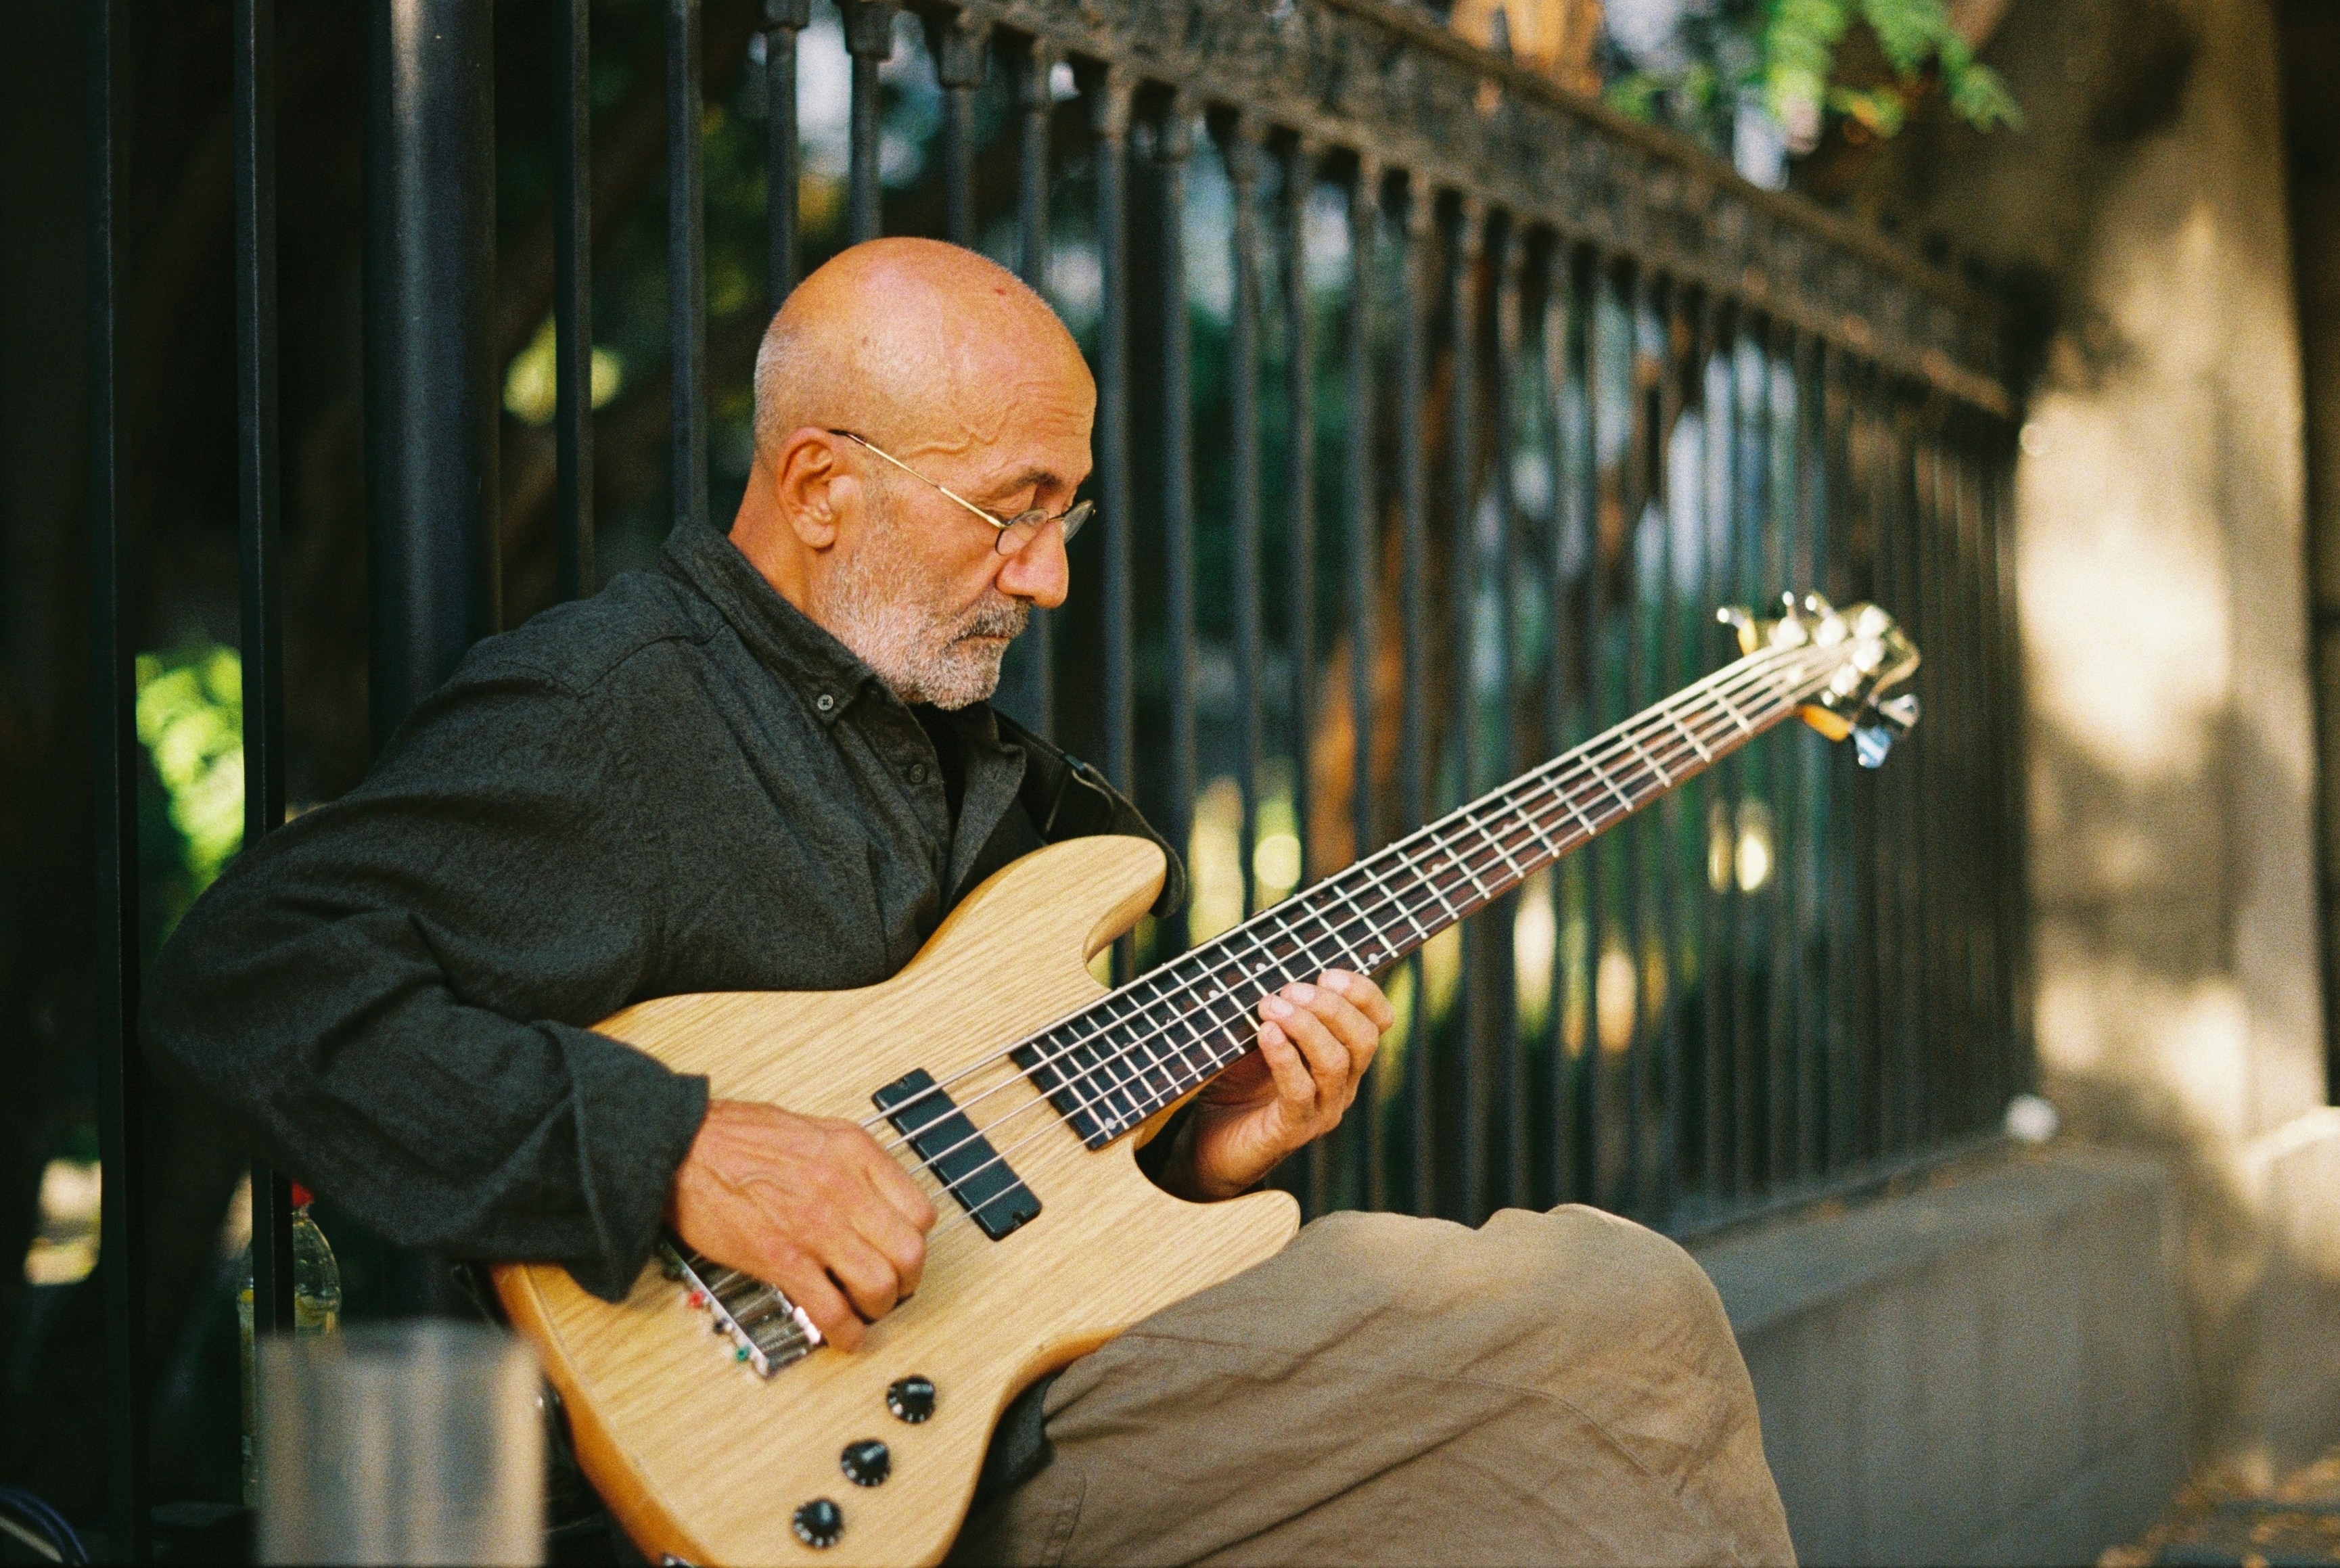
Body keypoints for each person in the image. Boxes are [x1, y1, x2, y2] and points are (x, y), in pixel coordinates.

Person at [147, 237, 1795, 1566]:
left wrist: (1206, 1152)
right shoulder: (613, 708)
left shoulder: (963, 757)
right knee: (1609, 1313)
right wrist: (679, 1149)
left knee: (1536, 1423)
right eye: (1011, 510)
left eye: (1066, 513)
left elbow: (1009, 1163)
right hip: (792, 1444)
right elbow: (246, 974)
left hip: (1024, 1382)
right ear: (816, 489)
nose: (1052, 574)